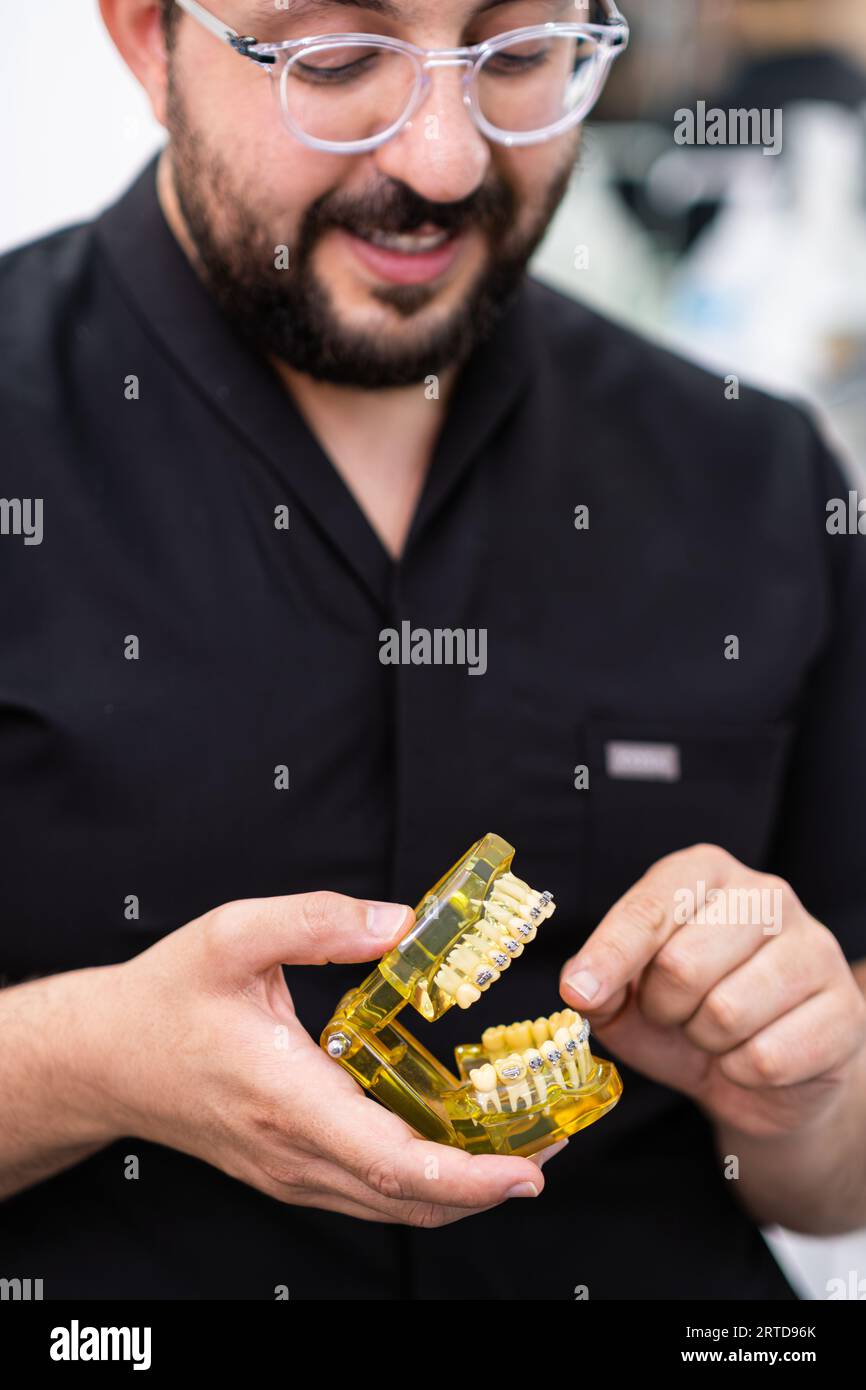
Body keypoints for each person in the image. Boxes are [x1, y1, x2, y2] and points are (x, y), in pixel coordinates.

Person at [1, 0, 864, 1301]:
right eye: (337, 61)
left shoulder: (758, 474)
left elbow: (833, 1182)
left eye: (519, 56)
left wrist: (799, 1097)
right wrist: (89, 1059)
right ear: (143, 38)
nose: (446, 161)